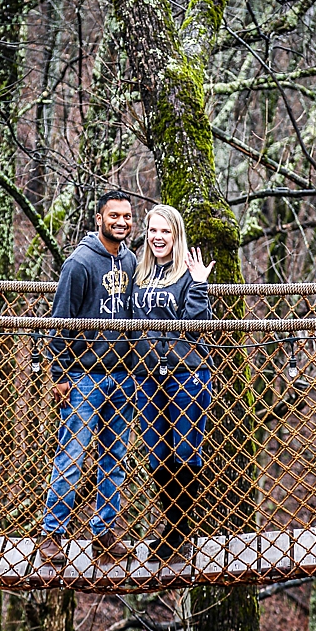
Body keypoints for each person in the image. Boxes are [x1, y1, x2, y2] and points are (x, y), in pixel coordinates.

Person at [38, 190, 137, 568]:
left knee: (115, 458)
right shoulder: (78, 264)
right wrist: (59, 374)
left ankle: (104, 532)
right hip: (84, 376)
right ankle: (52, 534)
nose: (121, 222)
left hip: (123, 376)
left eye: (127, 216)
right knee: (72, 456)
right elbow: (59, 320)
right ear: (99, 219)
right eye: (114, 216)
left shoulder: (129, 260)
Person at [131, 204, 215, 563]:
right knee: (156, 455)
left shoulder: (186, 274)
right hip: (146, 376)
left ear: (176, 235)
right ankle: (175, 528)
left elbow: (199, 324)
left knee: (184, 452)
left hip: (186, 373)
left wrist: (199, 285)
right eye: (153, 231)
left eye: (165, 231)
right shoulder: (139, 274)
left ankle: (176, 534)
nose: (158, 237)